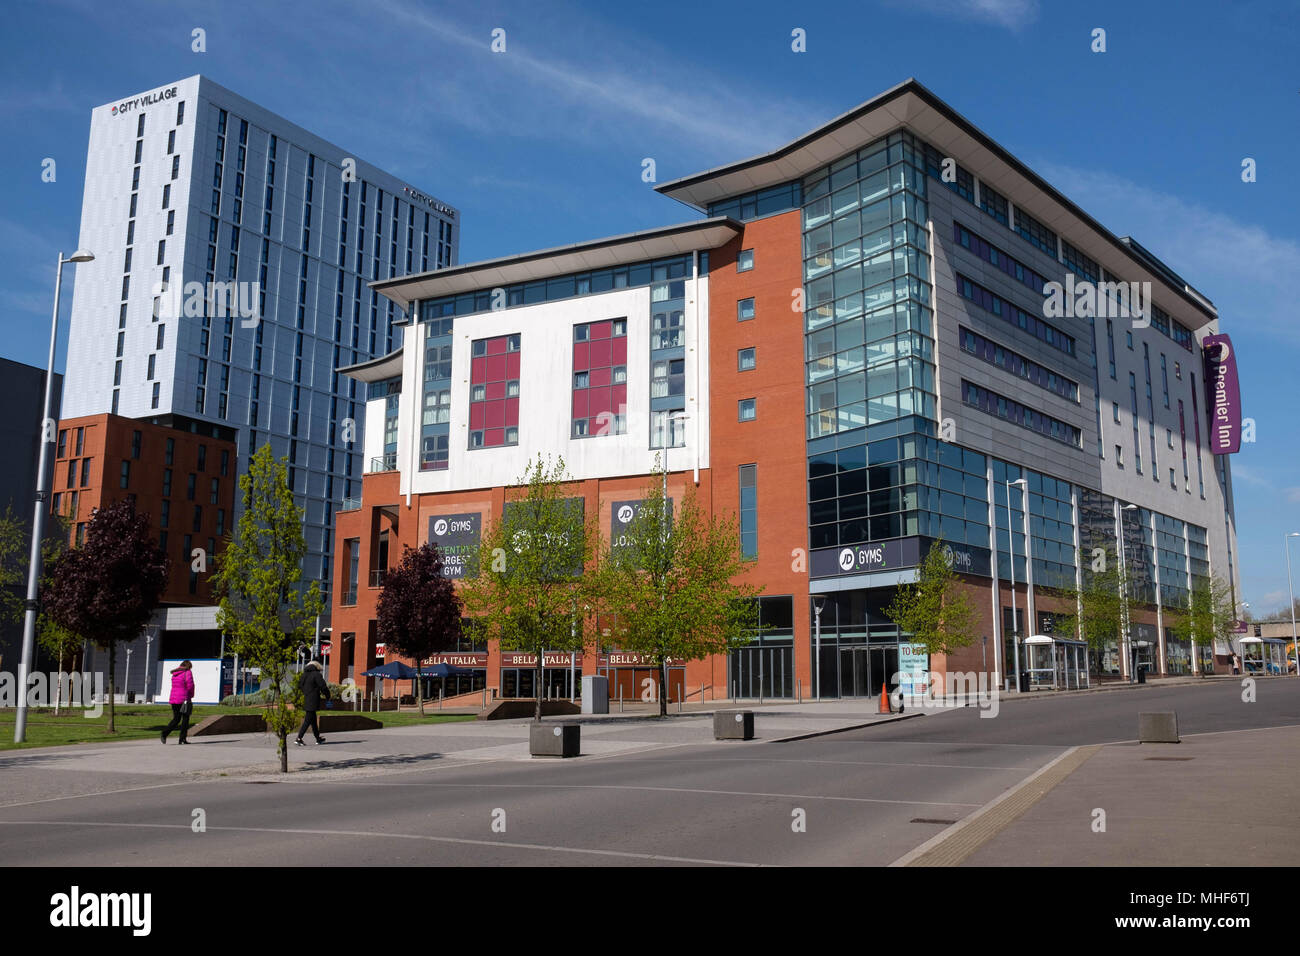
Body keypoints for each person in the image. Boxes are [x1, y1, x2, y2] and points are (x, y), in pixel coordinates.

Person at [296, 658, 330, 746]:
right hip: (313, 699)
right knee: (308, 720)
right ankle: (299, 738)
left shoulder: (304, 675)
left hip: (307, 698)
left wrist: (306, 692)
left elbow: (299, 685)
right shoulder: (316, 674)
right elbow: (323, 686)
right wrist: (327, 695)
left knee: (313, 720)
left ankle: (318, 738)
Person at [161, 660, 195, 744]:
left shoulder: (175, 673)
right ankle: (182, 739)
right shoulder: (188, 672)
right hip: (184, 699)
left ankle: (164, 733)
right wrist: (191, 695)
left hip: (174, 699)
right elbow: (190, 685)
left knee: (176, 719)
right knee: (185, 719)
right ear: (189, 666)